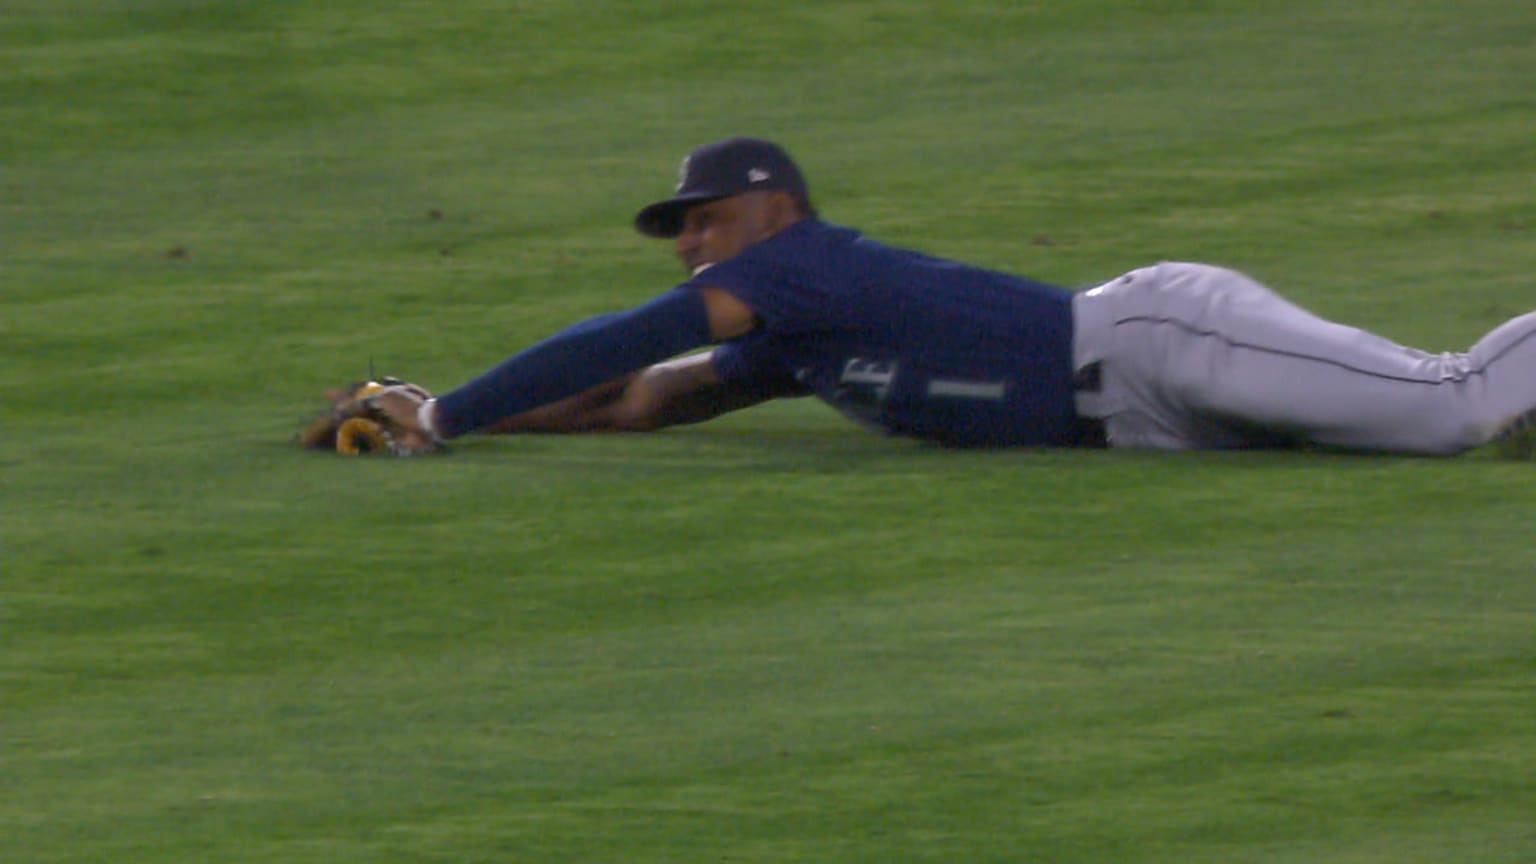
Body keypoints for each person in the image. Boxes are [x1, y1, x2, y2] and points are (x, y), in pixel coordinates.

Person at [369, 136, 1536, 455]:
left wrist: (446, 417)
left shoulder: (799, 263)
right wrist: (445, 412)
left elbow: (634, 339)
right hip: (1152, 419)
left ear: (775, 209)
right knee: (1437, 433)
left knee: (1453, 407)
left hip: (1164, 343)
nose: (690, 244)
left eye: (705, 218)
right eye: (681, 230)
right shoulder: (801, 333)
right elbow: (637, 396)